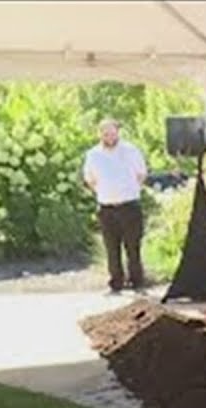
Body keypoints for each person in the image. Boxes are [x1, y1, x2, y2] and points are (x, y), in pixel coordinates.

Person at [82, 118, 148, 294]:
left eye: (112, 133)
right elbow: (90, 179)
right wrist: (104, 192)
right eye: (105, 133)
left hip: (129, 206)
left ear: (117, 132)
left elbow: (141, 174)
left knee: (133, 246)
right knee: (111, 248)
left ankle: (137, 282)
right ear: (100, 134)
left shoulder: (131, 151)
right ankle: (115, 283)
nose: (109, 137)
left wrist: (128, 190)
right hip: (107, 208)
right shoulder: (93, 154)